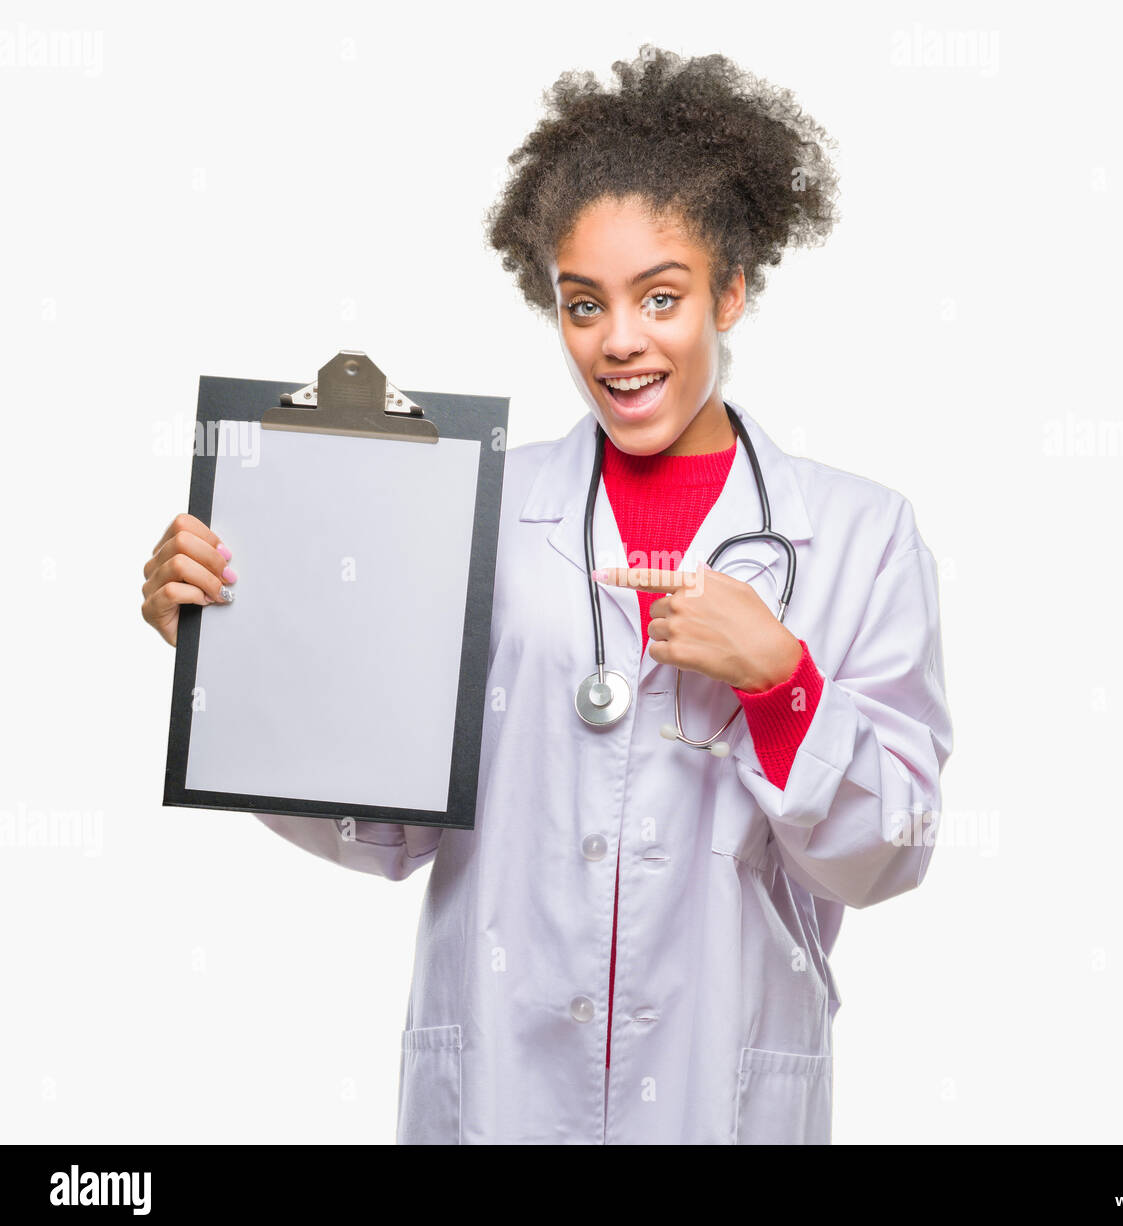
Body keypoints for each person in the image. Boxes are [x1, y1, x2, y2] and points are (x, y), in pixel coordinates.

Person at [140, 44, 953, 1144]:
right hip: (501, 1083)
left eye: (660, 297)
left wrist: (783, 682)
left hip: (724, 1091)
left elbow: (888, 851)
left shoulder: (861, 533)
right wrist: (226, 657)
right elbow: (383, 827)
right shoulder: (469, 504)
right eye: (582, 305)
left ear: (731, 290)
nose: (619, 341)